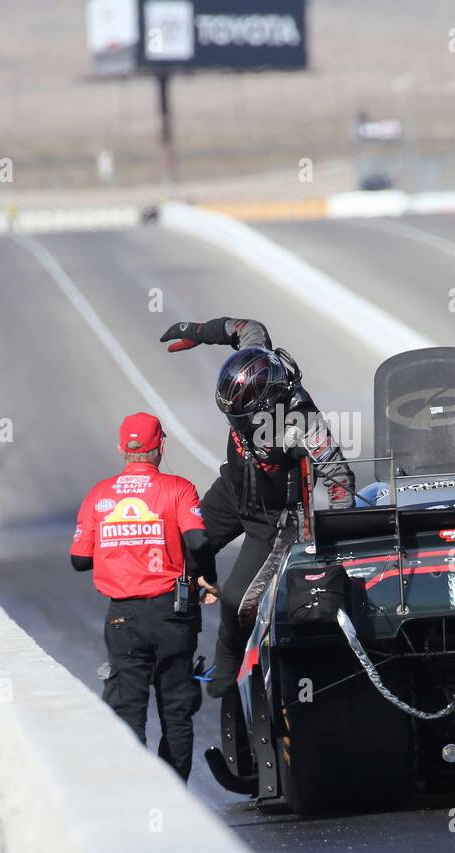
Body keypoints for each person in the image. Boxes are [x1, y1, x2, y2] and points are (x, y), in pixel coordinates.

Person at [159, 318, 354, 699]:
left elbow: (339, 478)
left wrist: (338, 548)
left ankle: (227, 666)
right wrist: (197, 331)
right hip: (230, 493)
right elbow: (245, 326)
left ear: (270, 403)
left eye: (243, 416)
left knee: (236, 601)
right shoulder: (259, 355)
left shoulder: (302, 419)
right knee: (176, 558)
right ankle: (178, 649)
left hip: (274, 520)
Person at [69, 412, 219, 781]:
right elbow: (198, 541)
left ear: (121, 448)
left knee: (128, 709)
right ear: (161, 446)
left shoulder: (99, 495)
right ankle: (175, 793)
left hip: (123, 617)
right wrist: (206, 579)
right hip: (172, 614)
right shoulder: (178, 488)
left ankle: (138, 790)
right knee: (176, 711)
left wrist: (121, 545)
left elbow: (79, 560)